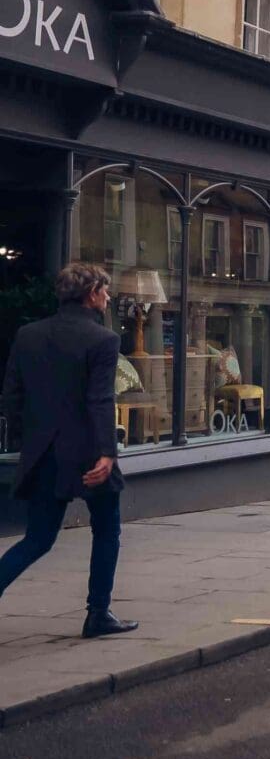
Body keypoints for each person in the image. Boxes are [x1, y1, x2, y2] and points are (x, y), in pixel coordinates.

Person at [0, 263, 137, 638]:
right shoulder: (103, 340)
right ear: (92, 293)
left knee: (38, 539)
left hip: (44, 453)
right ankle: (98, 614)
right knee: (107, 530)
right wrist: (107, 453)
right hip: (89, 454)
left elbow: (10, 398)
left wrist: (36, 434)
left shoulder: (27, 335)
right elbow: (99, 399)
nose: (108, 298)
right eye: (105, 291)